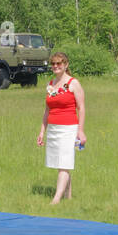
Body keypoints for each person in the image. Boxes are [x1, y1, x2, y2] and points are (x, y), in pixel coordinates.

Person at [37, 52, 85, 204]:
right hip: (53, 128)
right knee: (61, 163)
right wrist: (42, 131)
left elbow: (81, 107)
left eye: (59, 63)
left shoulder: (73, 83)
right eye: (53, 64)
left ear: (66, 65)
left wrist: (80, 130)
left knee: (64, 162)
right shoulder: (51, 84)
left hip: (68, 127)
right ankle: (68, 197)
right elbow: (47, 110)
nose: (56, 66)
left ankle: (56, 199)